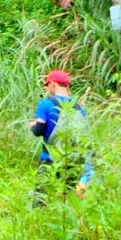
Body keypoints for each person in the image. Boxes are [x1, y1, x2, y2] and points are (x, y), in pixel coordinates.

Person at [30, 70, 94, 202]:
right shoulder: (80, 109)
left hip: (50, 158)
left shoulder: (46, 104)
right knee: (68, 198)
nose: (48, 89)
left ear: (53, 84)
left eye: (48, 85)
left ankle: (40, 211)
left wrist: (32, 125)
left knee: (41, 198)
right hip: (72, 159)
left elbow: (38, 130)